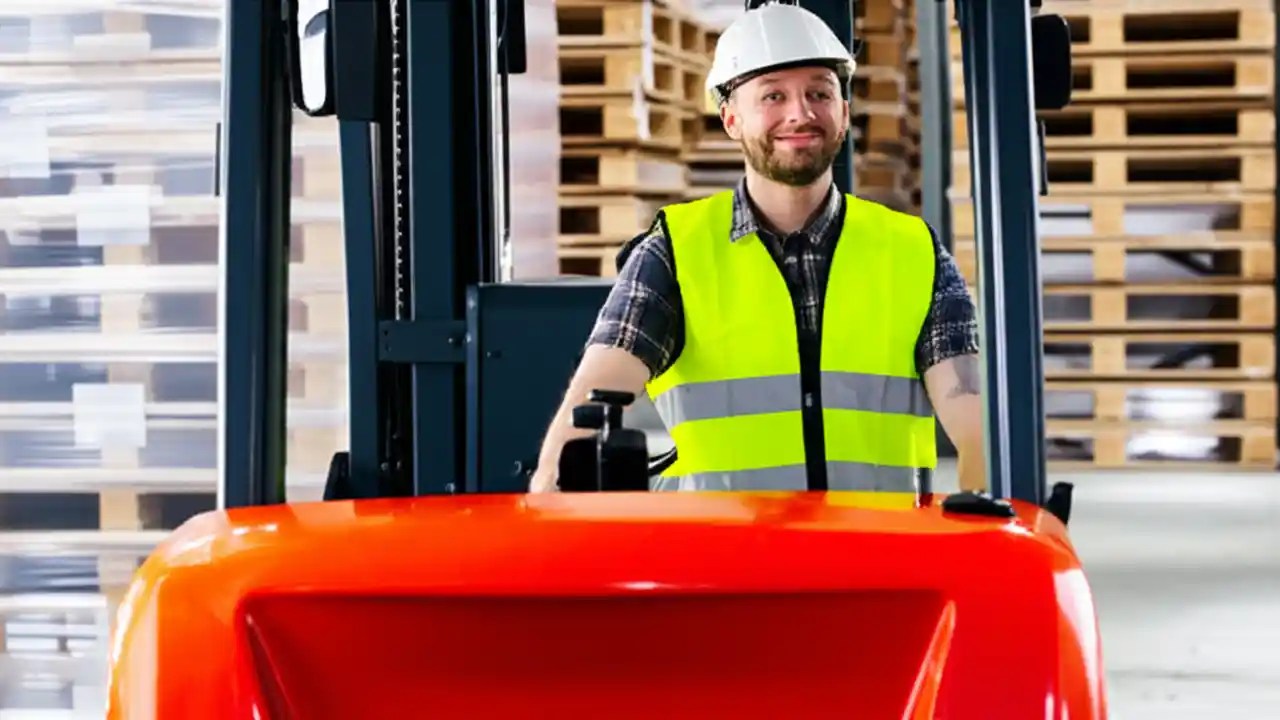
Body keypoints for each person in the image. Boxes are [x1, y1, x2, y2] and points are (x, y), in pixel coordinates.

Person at [530, 2, 985, 494]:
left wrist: (992, 531)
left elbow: (975, 421)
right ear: (731, 120)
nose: (801, 113)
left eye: (819, 92)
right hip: (724, 563)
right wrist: (550, 503)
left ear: (844, 112)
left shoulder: (913, 251)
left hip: (877, 560)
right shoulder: (675, 254)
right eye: (773, 96)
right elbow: (591, 409)